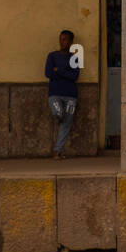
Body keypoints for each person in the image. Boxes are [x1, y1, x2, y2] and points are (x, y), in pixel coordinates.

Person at [45, 29, 80, 157]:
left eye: (65, 39)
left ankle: (58, 150)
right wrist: (65, 72)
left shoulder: (74, 58)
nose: (62, 42)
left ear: (71, 42)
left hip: (71, 95)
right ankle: (58, 149)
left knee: (67, 123)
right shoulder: (52, 56)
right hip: (55, 93)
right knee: (58, 113)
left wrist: (58, 70)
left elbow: (75, 76)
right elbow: (48, 73)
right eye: (60, 39)